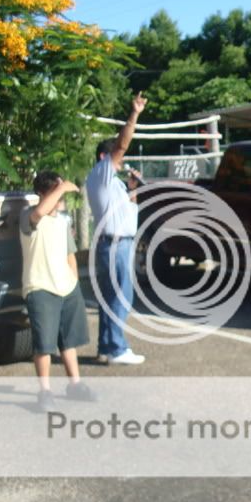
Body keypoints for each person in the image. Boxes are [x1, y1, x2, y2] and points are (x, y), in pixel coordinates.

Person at [20, 172, 96, 412]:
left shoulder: (62, 221)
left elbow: (69, 254)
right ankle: (45, 392)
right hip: (40, 287)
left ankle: (75, 384)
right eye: (56, 190)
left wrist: (73, 280)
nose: (61, 196)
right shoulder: (29, 216)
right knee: (44, 344)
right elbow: (39, 213)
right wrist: (62, 189)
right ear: (44, 192)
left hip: (66, 288)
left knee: (68, 340)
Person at [86, 91, 147, 366]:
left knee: (111, 298)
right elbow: (121, 145)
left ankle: (106, 347)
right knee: (120, 298)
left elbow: (127, 212)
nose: (121, 161)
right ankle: (116, 348)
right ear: (104, 156)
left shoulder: (115, 184)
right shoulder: (101, 173)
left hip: (119, 243)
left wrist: (132, 189)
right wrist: (134, 114)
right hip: (113, 245)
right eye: (116, 157)